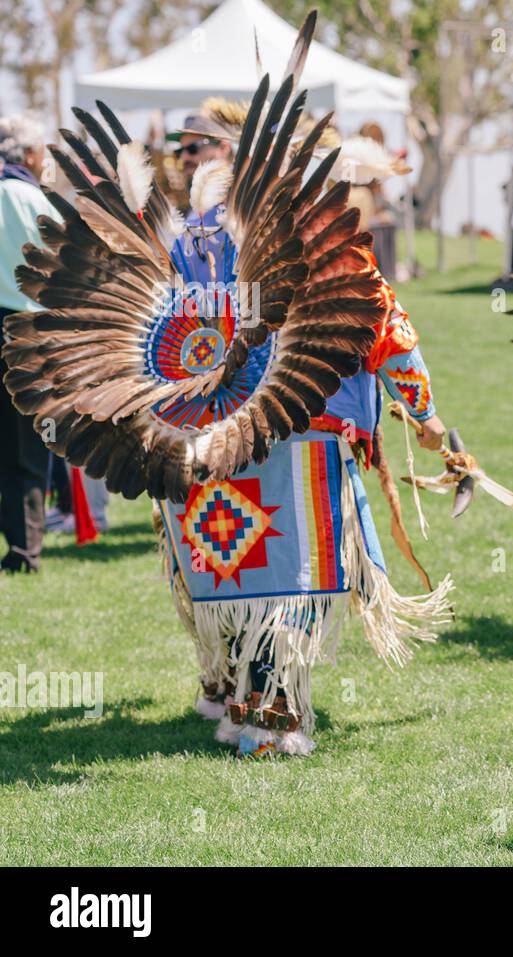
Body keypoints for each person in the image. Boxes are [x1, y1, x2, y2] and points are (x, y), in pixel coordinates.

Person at [3, 16, 458, 756]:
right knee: (219, 561)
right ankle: (232, 689)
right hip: (196, 435)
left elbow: (373, 310)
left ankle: (272, 711)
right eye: (180, 149)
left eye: (199, 148)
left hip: (291, 426)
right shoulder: (177, 237)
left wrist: (424, 411)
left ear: (237, 156)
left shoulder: (290, 225)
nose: (185, 158)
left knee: (276, 570)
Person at [0, 112, 60, 573]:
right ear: (30, 154)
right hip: (28, 330)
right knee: (26, 443)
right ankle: (24, 550)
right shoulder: (33, 199)